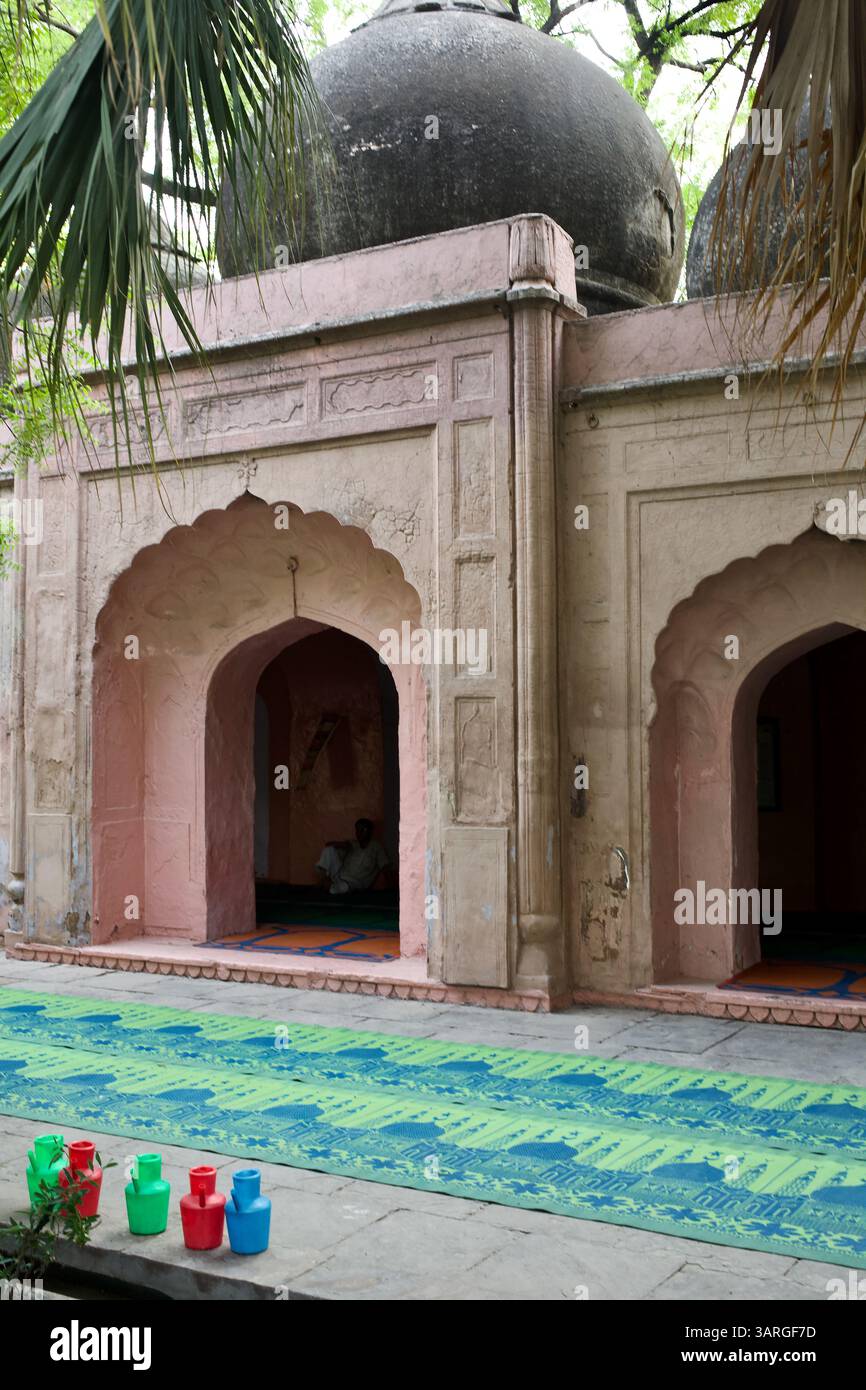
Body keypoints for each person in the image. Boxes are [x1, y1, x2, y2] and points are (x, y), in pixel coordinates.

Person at [315, 818, 390, 896]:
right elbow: (328, 845)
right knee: (329, 850)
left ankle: (329, 887)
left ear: (370, 831)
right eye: (357, 830)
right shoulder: (353, 844)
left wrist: (388, 888)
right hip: (339, 876)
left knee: (343, 888)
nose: (359, 833)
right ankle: (325, 879)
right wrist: (343, 845)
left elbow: (385, 867)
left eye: (363, 830)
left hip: (356, 883)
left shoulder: (377, 847)